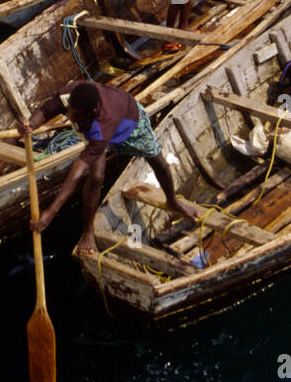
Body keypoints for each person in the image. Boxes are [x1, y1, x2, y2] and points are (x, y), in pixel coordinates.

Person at [23, 81, 197, 255]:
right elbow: (45, 110)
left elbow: (77, 171)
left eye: (75, 115)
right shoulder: (71, 95)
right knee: (96, 177)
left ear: (93, 112)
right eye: (69, 110)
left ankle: (172, 201)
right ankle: (88, 230)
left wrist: (51, 212)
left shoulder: (102, 126)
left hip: (131, 126)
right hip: (92, 131)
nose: (69, 116)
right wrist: (30, 125)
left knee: (160, 163)